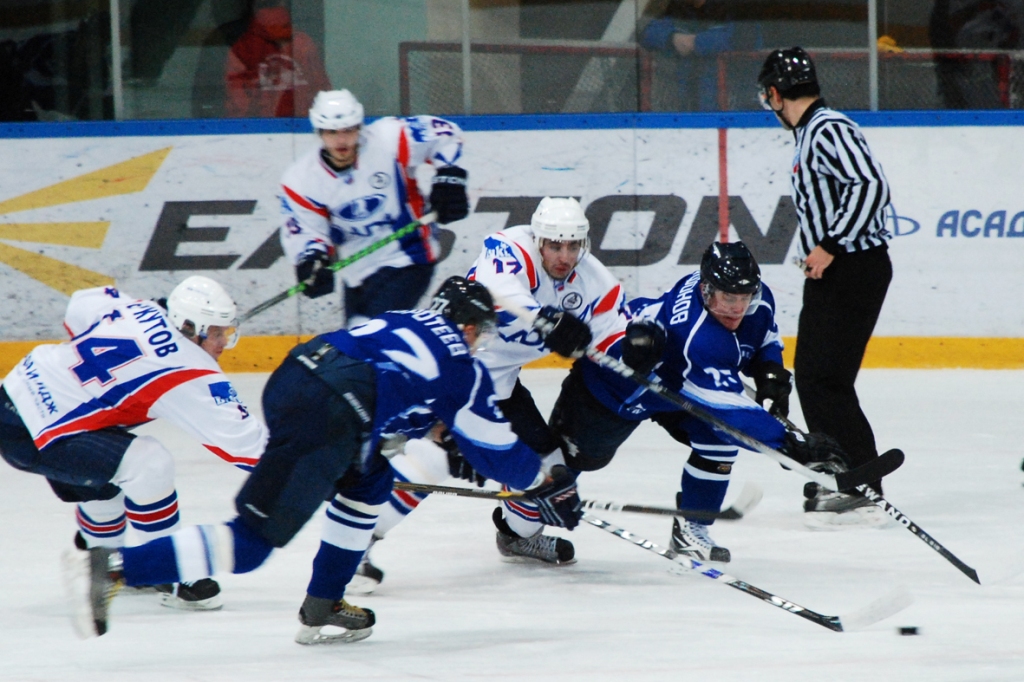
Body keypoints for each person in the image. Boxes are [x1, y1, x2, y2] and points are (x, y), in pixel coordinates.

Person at [61, 277, 583, 644]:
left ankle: (324, 604)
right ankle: (114, 569)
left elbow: (401, 391)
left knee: (368, 483)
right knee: (250, 545)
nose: (480, 340)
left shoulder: (405, 319)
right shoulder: (460, 366)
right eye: (481, 330)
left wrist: (457, 443)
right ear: (468, 325)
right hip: (335, 411)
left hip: (295, 376)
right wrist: (541, 480)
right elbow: (491, 441)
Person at [352, 197, 623, 590]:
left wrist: (634, 348)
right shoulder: (509, 246)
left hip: (499, 383)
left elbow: (614, 332)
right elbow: (496, 287)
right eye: (554, 245)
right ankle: (357, 544)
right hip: (454, 371)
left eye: (572, 246)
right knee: (434, 457)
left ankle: (517, 535)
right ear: (537, 239)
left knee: (550, 470)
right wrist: (543, 318)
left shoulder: (595, 281)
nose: (564, 256)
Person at [0, 277, 267, 610]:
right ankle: (167, 568)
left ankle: (99, 558)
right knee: (148, 462)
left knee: (111, 475)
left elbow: (81, 304)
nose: (223, 342)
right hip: (40, 432)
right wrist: (312, 460)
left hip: (15, 396)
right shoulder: (191, 371)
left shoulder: (136, 308)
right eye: (215, 332)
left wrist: (138, 315)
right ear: (188, 326)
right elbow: (247, 447)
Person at [757, 47, 894, 526]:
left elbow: (870, 186)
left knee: (823, 379)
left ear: (775, 94)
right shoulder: (812, 134)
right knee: (818, 376)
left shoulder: (826, 129)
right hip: (840, 271)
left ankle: (857, 478)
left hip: (853, 268)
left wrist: (830, 245)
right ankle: (848, 470)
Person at [280, 89, 470, 327]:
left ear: (359, 126)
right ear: (318, 131)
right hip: (356, 272)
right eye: (332, 132)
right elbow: (308, 230)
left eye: (348, 130)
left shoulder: (389, 139)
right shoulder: (300, 180)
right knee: (356, 344)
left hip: (409, 257)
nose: (341, 141)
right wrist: (311, 260)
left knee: (368, 333)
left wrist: (450, 176)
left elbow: (445, 133)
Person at [638, 0, 761, 111]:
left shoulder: (739, 6)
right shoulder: (678, 7)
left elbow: (744, 39)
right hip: (686, 104)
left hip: (733, 106)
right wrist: (671, 38)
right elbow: (646, 33)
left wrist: (696, 43)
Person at [223, 0, 332, 118]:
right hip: (305, 126)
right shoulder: (303, 43)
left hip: (257, 129)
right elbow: (321, 88)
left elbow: (238, 100)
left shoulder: (242, 48)